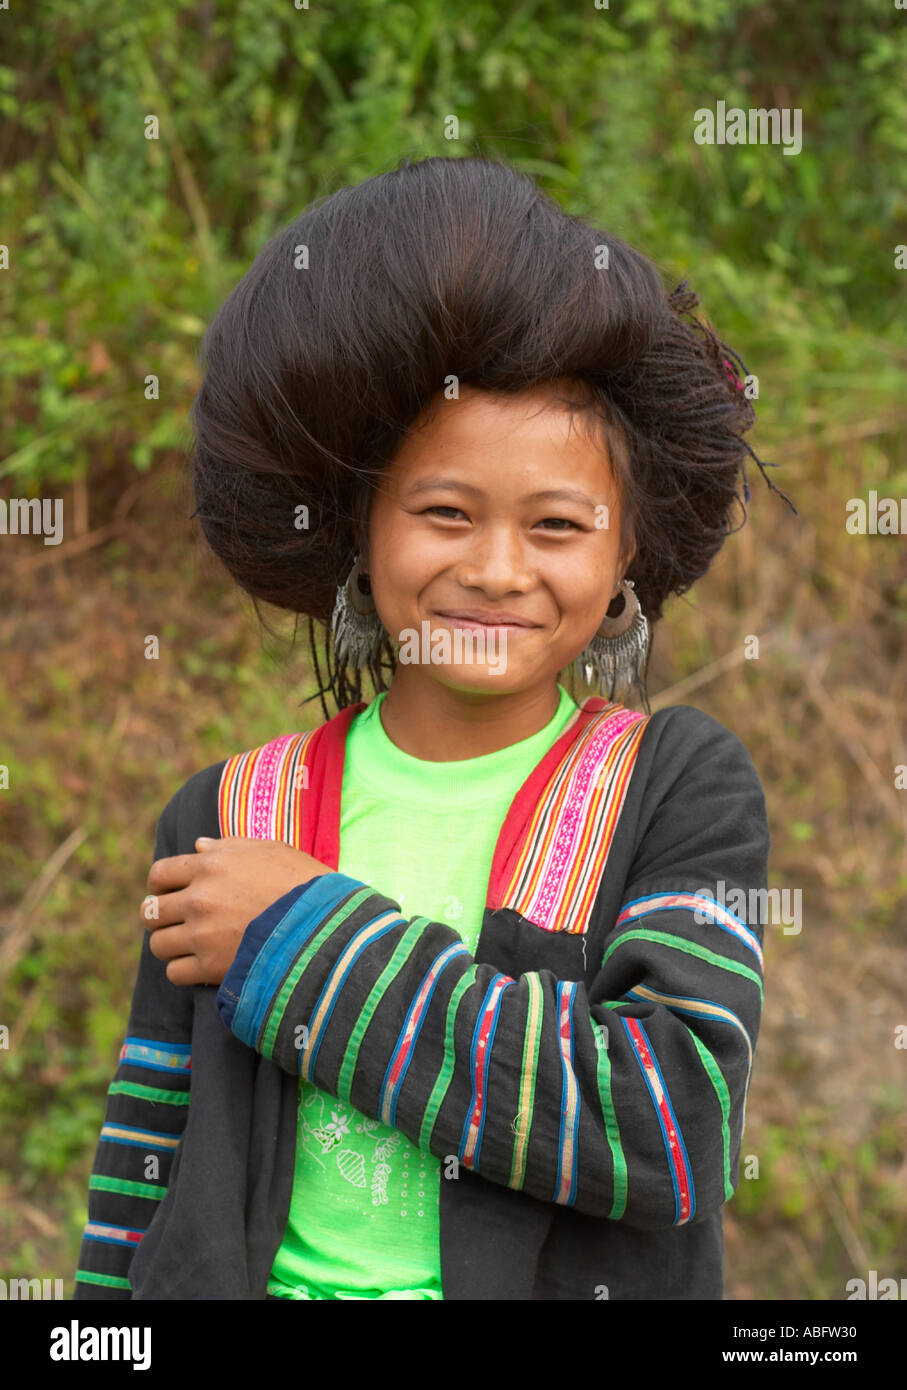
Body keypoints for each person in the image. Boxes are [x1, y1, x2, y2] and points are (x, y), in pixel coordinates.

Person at [73, 154, 793, 1301]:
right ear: (362, 530)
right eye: (444, 512)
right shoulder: (225, 814)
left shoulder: (671, 789)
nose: (496, 569)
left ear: (623, 563)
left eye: (557, 524)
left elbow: (670, 1122)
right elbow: (142, 1173)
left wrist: (301, 939)